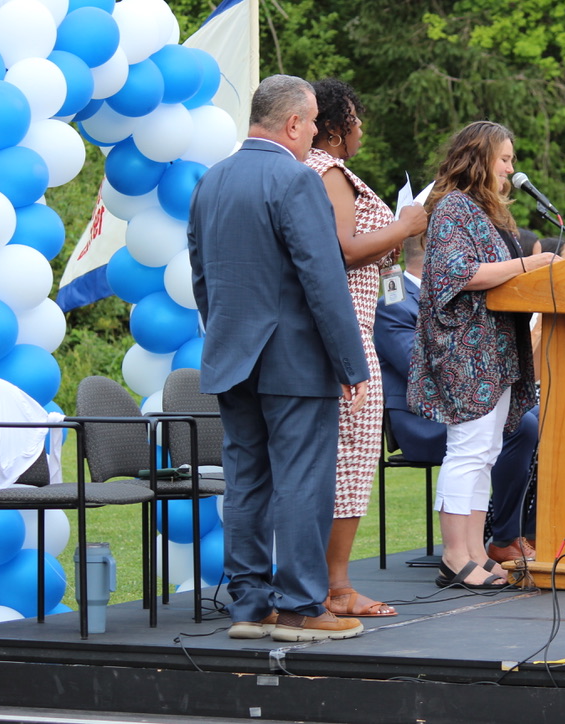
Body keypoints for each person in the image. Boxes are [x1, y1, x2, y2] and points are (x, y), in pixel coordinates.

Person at [187, 75, 369, 642]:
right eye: (312, 123)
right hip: (294, 362)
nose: (315, 133)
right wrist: (351, 364)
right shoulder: (296, 179)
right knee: (302, 481)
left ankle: (249, 606)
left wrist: (225, 334)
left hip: (231, 356)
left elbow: (201, 276)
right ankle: (299, 608)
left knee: (245, 481)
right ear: (292, 123)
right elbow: (324, 279)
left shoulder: (211, 180)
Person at [408, 121, 559, 589]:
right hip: (466, 351)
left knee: (486, 451)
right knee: (469, 449)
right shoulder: (453, 207)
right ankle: (455, 555)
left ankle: (474, 550)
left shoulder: (485, 210)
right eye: (505, 159)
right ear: (479, 158)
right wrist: (529, 263)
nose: (511, 169)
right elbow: (459, 275)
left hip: (494, 349)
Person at [303, 79, 428, 619]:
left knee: (332, 462)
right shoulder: (328, 171)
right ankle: (336, 585)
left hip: (335, 331)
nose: (362, 130)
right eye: (356, 119)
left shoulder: (304, 168)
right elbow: (345, 250)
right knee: (351, 461)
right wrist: (403, 226)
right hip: (348, 336)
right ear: (336, 127)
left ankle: (324, 583)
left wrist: (388, 246)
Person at [375, 236, 539, 563]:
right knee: (521, 424)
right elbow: (420, 368)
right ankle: (504, 536)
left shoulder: (451, 296)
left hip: (464, 405)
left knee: (543, 415)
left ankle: (532, 532)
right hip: (424, 419)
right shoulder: (395, 304)